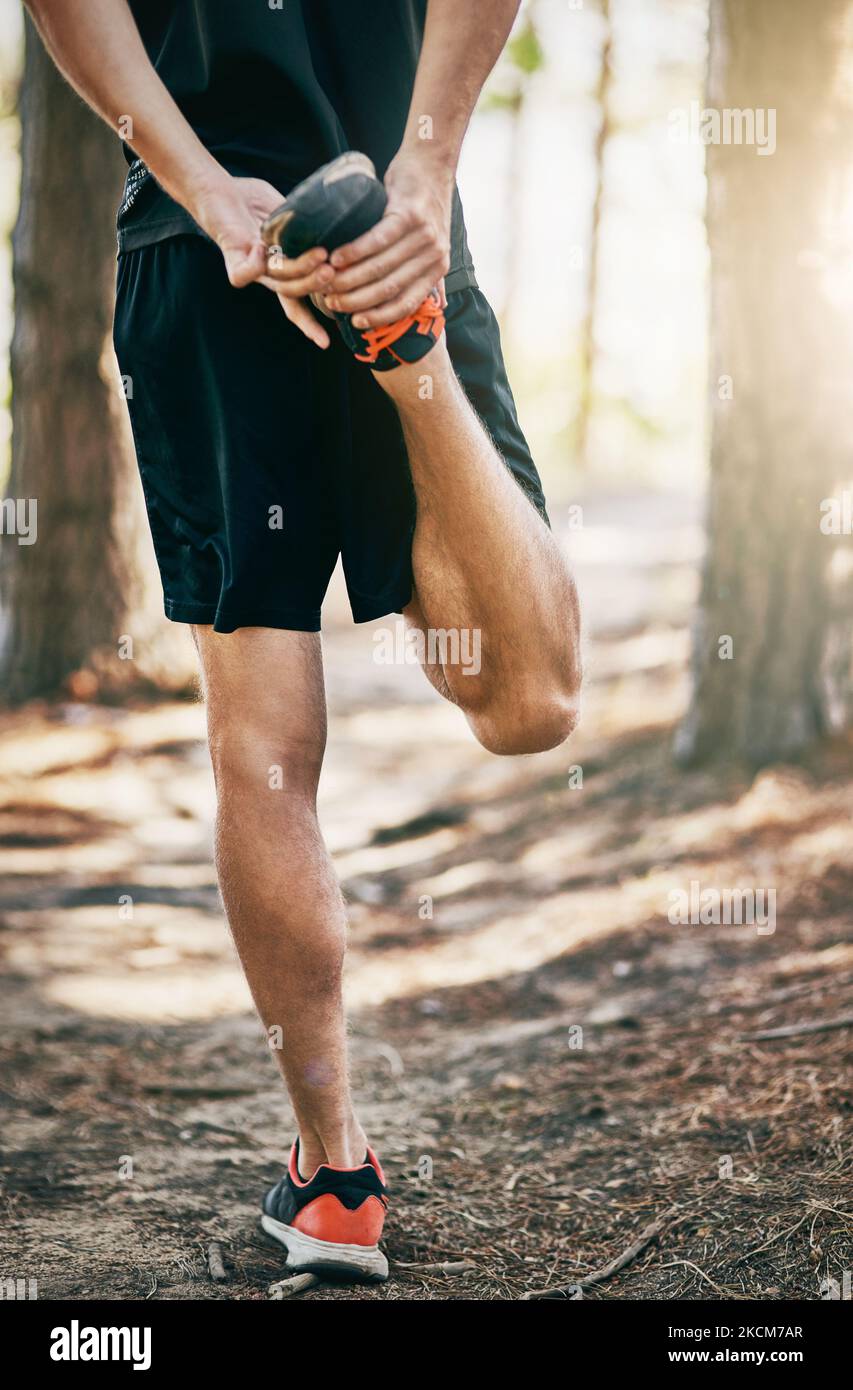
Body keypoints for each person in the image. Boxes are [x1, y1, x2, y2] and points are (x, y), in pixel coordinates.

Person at [25, 0, 581, 1282]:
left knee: (265, 750)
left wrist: (208, 191)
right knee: (526, 702)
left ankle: (333, 1178)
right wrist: (424, 167)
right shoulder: (405, 203)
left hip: (207, 251)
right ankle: (407, 356)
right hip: (387, 226)